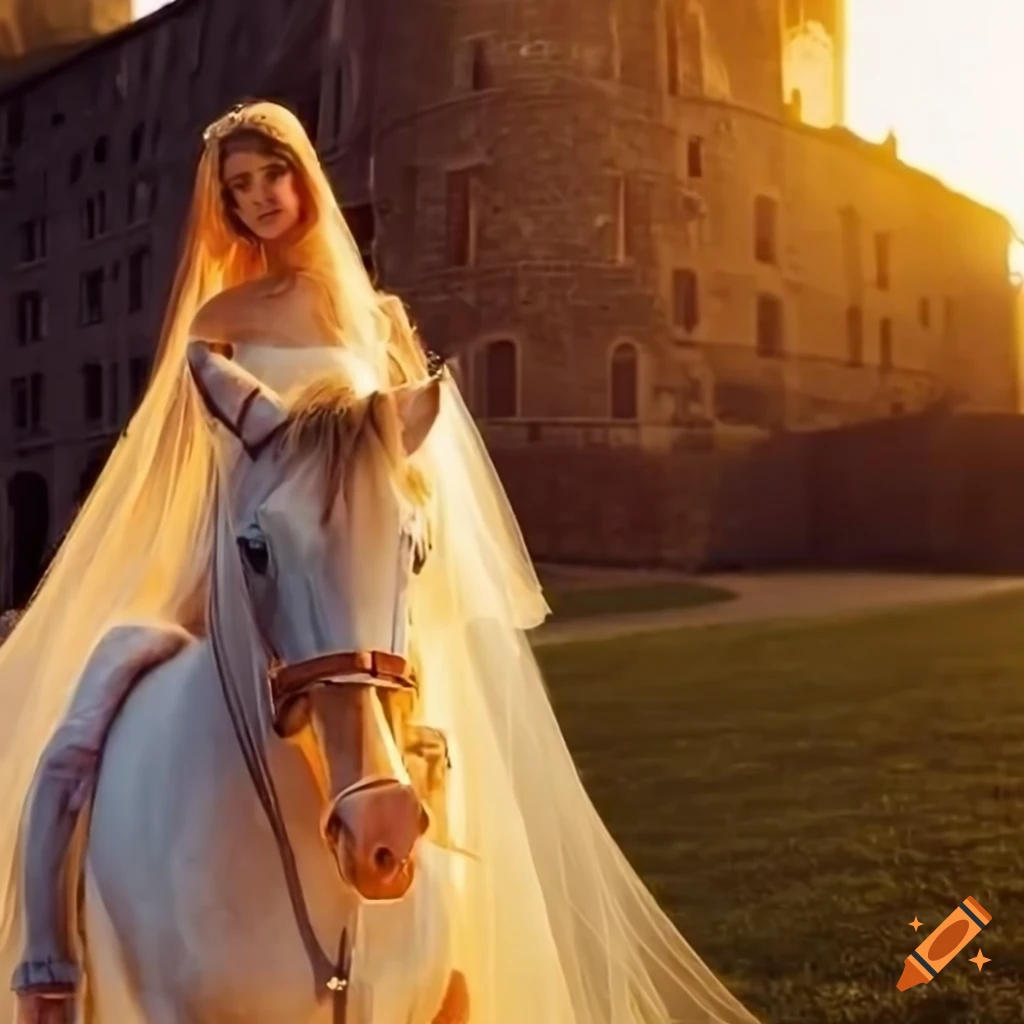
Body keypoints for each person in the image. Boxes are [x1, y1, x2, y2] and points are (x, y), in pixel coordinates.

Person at [0, 101, 761, 1023]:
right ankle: (49, 969)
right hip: (256, 563)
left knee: (435, 752)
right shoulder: (222, 316)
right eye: (236, 191)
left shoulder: (383, 325)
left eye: (267, 177)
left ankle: (433, 974)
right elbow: (192, 462)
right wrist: (220, 567)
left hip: (359, 586)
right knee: (78, 734)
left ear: (302, 175)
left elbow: (412, 472)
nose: (257, 201)